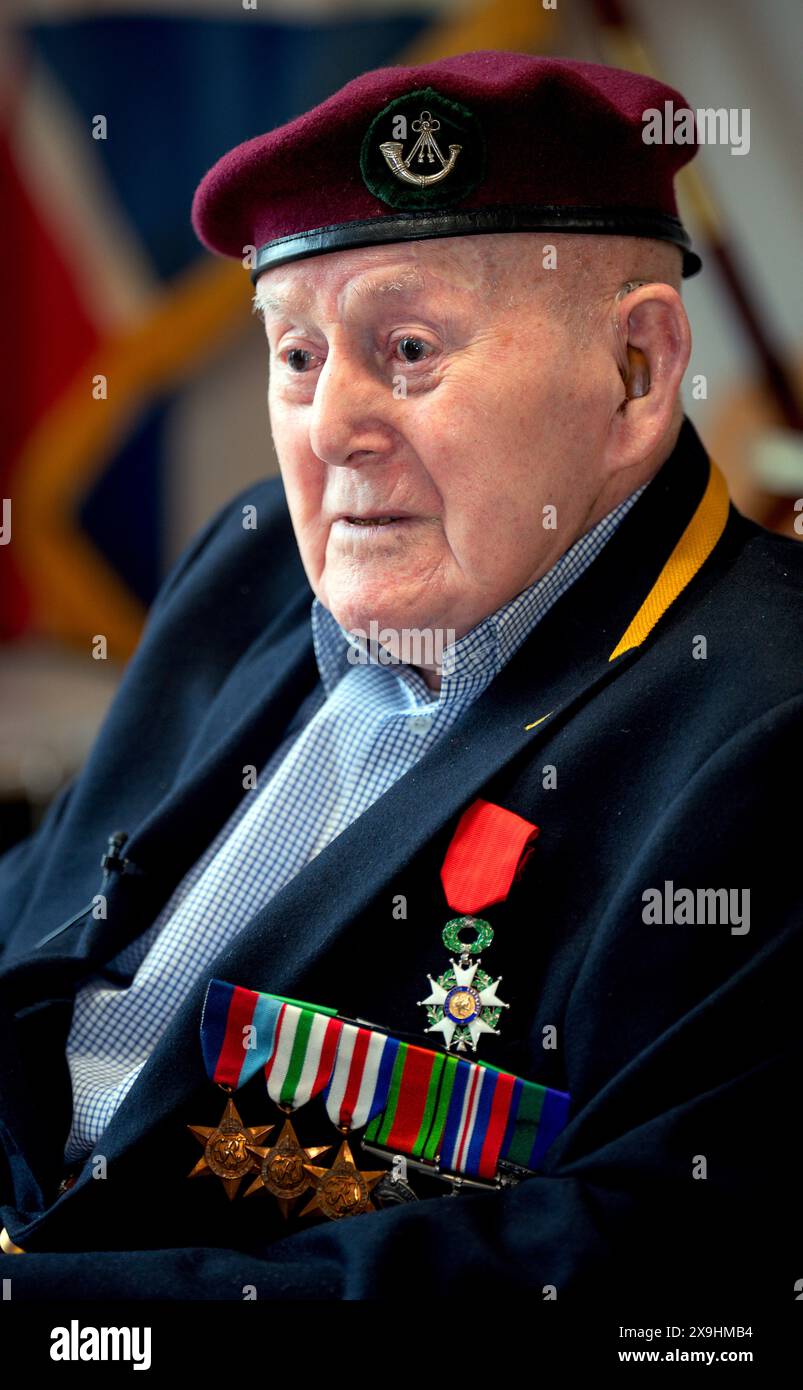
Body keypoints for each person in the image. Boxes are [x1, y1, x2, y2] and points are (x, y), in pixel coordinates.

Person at [0, 50, 800, 1311]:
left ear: (635, 372)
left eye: (409, 347)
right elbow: (40, 922)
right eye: (299, 355)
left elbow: (654, 1266)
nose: (330, 428)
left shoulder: (767, 722)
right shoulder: (253, 565)